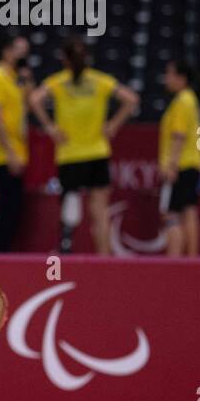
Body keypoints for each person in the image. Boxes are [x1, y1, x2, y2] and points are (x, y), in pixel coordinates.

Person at [28, 37, 139, 255]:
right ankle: (105, 261)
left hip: (70, 155)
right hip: (96, 152)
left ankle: (66, 257)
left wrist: (50, 127)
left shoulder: (59, 82)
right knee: (100, 212)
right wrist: (113, 125)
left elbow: (33, 99)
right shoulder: (99, 80)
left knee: (70, 208)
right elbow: (132, 99)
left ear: (65, 59)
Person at [0, 33, 32, 251]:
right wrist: (9, 151)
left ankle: (0, 251)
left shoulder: (14, 80)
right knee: (8, 205)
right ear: (6, 51)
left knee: (14, 206)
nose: (23, 56)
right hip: (2, 152)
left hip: (17, 151)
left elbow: (24, 113)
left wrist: (27, 84)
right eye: (19, 51)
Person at [159, 59, 200, 257]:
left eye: (169, 74)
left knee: (170, 214)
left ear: (181, 78)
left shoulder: (181, 102)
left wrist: (171, 166)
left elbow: (179, 135)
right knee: (189, 212)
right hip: (191, 164)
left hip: (180, 165)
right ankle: (191, 260)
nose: (166, 79)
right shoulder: (191, 99)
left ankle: (174, 261)